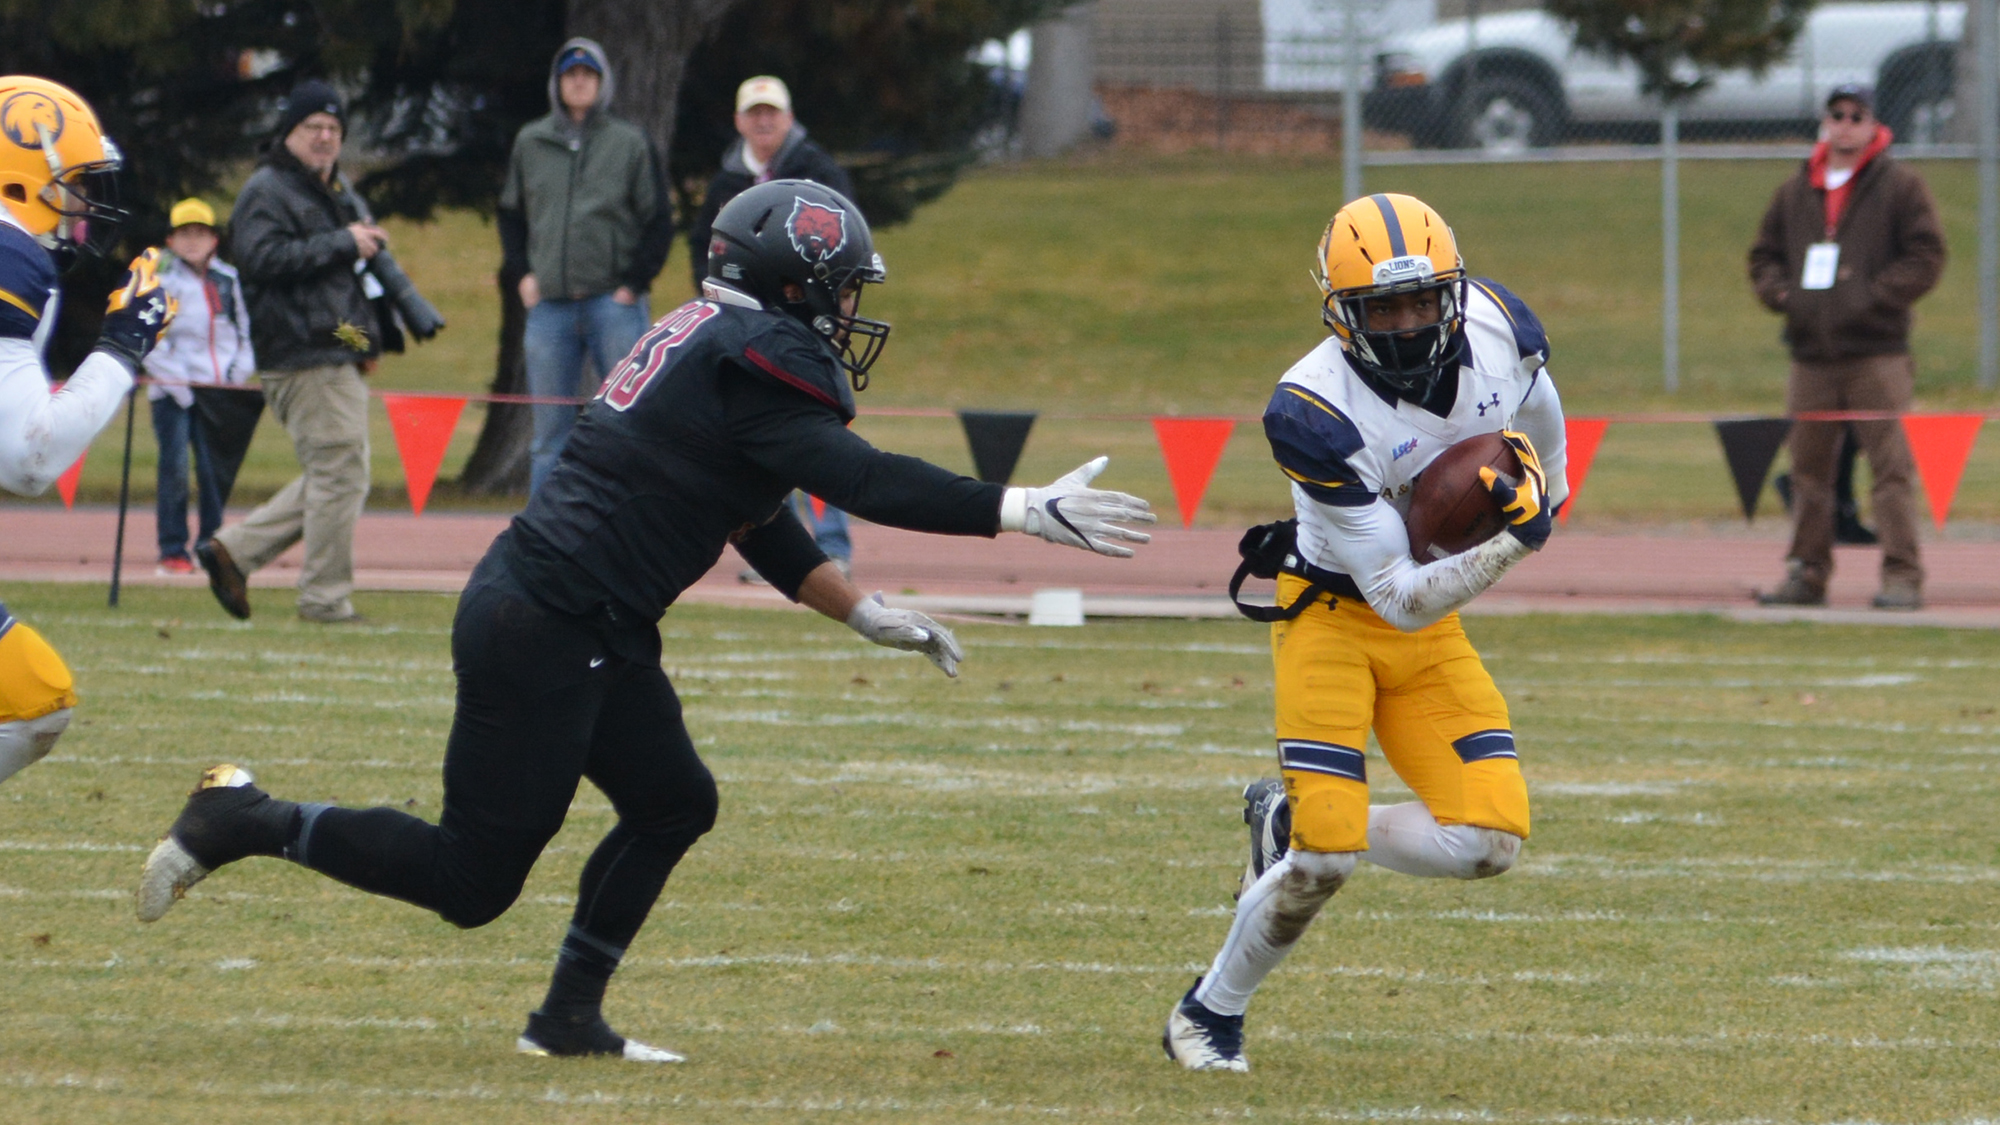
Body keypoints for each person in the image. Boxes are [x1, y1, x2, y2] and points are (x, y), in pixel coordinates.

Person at [136, 179, 1155, 1062]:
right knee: (471, 880)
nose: (847, 307)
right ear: (790, 280)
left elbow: (751, 510)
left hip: (590, 620)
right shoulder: (754, 359)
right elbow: (856, 476)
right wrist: (1018, 509)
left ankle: (568, 1018)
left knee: (674, 802)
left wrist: (858, 612)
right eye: (840, 285)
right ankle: (244, 819)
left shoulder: (714, 344)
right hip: (545, 620)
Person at [1163, 193, 1567, 1073]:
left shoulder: (1500, 324)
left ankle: (1289, 816)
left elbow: (1539, 407)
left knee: (1490, 839)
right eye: (1384, 308)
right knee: (1325, 865)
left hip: (1430, 627)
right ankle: (1208, 1014)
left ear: (1453, 294)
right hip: (1338, 618)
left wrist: (1550, 485)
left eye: (1424, 301)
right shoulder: (1314, 410)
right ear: (1343, 313)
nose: (1411, 324)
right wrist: (1516, 538)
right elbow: (1396, 596)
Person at [196, 79, 444, 624]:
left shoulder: (332, 191)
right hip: (300, 354)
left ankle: (234, 551)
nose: (326, 137)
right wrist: (343, 242)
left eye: (334, 129)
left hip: (331, 347)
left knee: (342, 473)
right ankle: (324, 599)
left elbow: (331, 299)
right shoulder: (267, 189)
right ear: (288, 132)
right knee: (340, 472)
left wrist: (363, 343)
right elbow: (258, 261)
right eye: (314, 127)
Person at [0, 75, 174, 785]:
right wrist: (124, 344)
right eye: (71, 182)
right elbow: (28, 457)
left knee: (35, 694)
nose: (82, 204)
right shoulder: (11, 257)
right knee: (34, 701)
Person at [1750, 83, 1944, 611]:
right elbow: (1763, 255)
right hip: (1811, 356)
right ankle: (1807, 574)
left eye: (1856, 115)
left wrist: (1873, 297)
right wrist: (1783, 294)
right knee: (1809, 473)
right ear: (1825, 121)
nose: (1845, 124)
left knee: (1890, 470)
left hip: (1877, 352)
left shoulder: (1901, 186)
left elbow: (1927, 255)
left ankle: (1902, 575)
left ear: (1874, 123)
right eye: (1836, 114)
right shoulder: (1796, 190)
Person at [690, 75, 859, 574]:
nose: (763, 121)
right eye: (754, 113)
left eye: (772, 112)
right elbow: (704, 245)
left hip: (806, 319)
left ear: (788, 118)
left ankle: (832, 546)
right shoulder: (726, 181)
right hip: (744, 326)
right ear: (740, 120)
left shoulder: (818, 171)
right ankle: (773, 549)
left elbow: (845, 237)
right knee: (760, 433)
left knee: (818, 432)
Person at [499, 39, 674, 497]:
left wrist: (633, 285)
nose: (579, 82)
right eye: (570, 74)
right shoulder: (530, 141)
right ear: (557, 84)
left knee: (631, 423)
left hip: (612, 304)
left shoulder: (629, 142)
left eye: (588, 74)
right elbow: (511, 215)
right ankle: (541, 541)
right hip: (550, 307)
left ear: (602, 84)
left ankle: (634, 525)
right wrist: (522, 276)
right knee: (548, 437)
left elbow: (658, 220)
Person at [145, 197, 256, 575]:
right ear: (171, 240)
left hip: (218, 394)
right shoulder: (159, 279)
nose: (193, 241)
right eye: (184, 234)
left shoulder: (228, 279)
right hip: (171, 391)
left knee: (213, 473)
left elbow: (243, 335)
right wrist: (180, 383)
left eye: (201, 233)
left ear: (214, 240)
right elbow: (150, 338)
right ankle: (172, 550)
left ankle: (211, 547)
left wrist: (232, 378)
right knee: (175, 470)